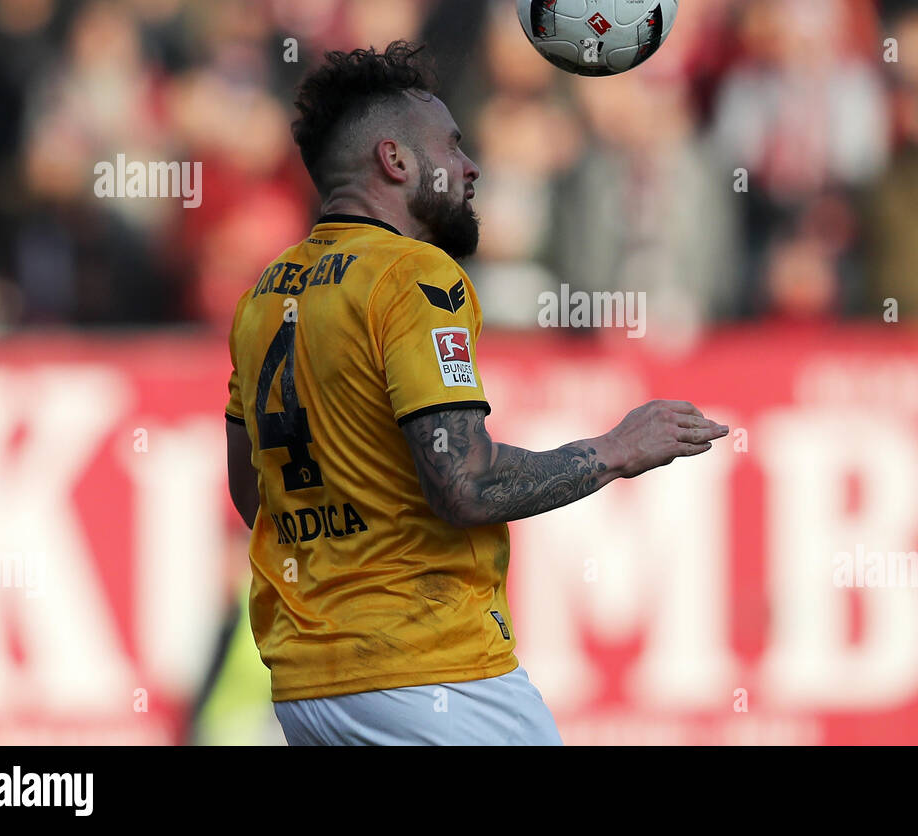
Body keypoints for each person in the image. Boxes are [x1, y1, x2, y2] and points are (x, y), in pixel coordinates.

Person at [223, 41, 729, 745]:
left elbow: (253, 492)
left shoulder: (263, 296)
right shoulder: (413, 276)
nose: (471, 166)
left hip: (310, 683)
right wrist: (616, 450)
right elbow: (464, 485)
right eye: (452, 146)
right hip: (432, 669)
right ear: (395, 161)